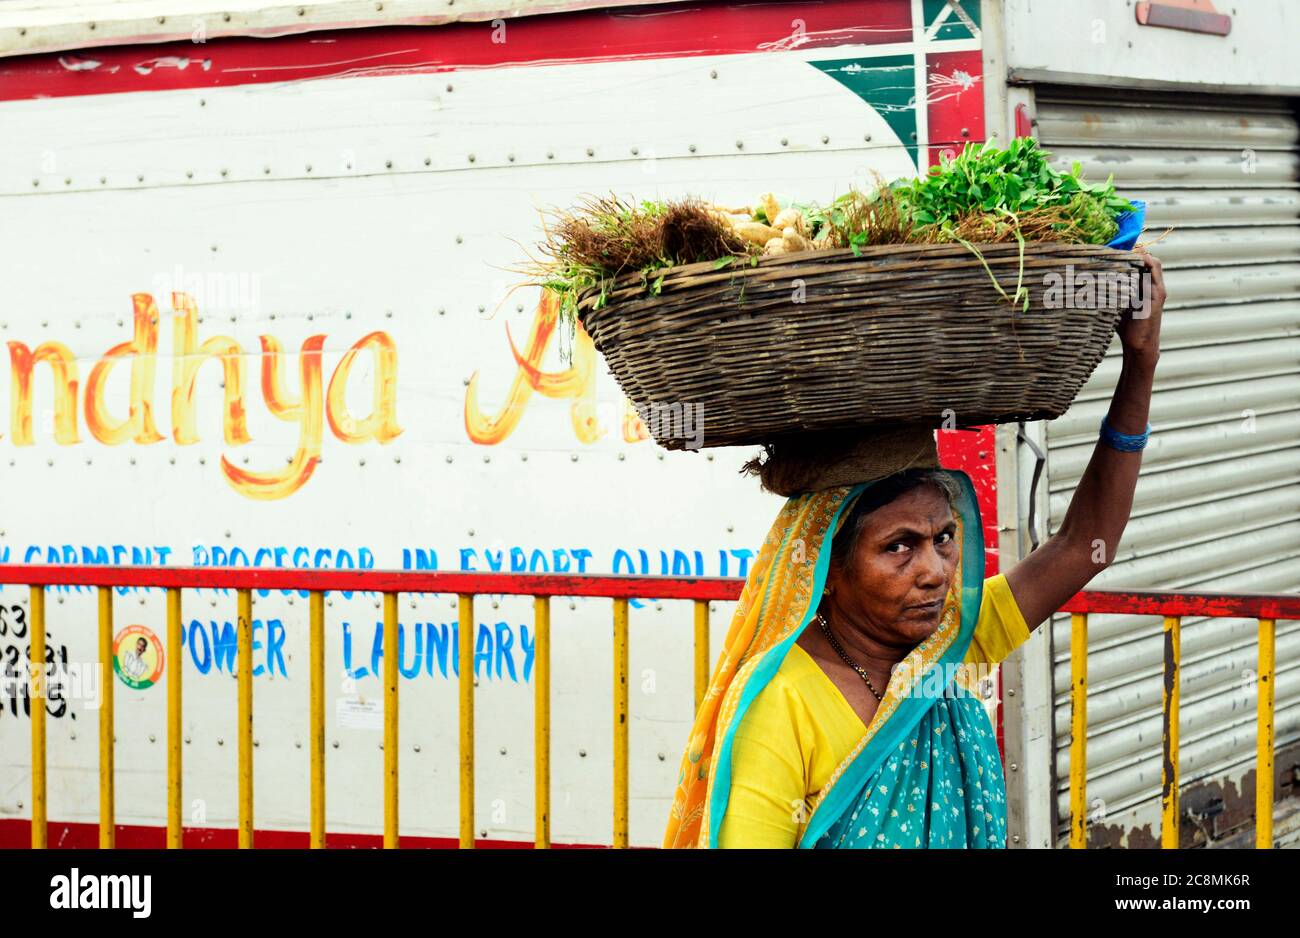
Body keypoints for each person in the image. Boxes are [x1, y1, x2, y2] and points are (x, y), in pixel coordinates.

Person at [664, 251, 1166, 849]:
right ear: (824, 568)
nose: (934, 572)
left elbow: (1086, 544)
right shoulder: (781, 704)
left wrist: (1141, 361)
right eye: (898, 547)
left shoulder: (946, 646)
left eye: (944, 538)